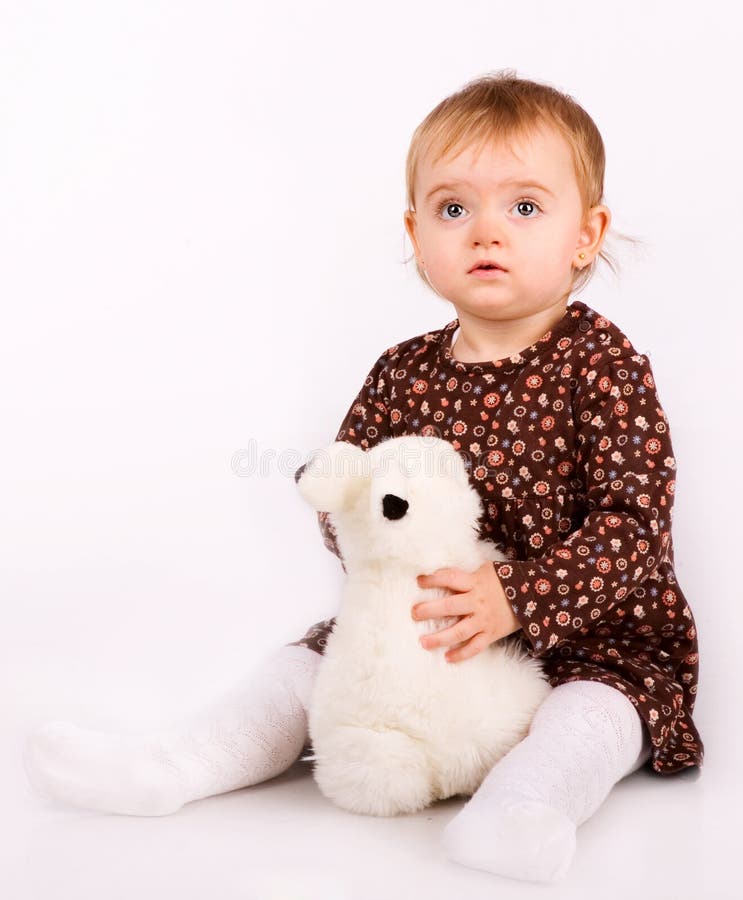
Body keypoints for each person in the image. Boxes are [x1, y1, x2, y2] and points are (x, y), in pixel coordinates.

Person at [24, 71, 703, 884]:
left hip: (584, 644)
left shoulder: (602, 366)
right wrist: (374, 550)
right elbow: (346, 499)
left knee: (590, 720)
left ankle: (519, 812)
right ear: (417, 234)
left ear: (585, 234)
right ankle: (176, 763)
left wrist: (517, 597)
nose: (486, 231)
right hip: (427, 636)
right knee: (305, 668)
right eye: (454, 209)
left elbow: (632, 526)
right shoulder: (403, 371)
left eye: (524, 207)